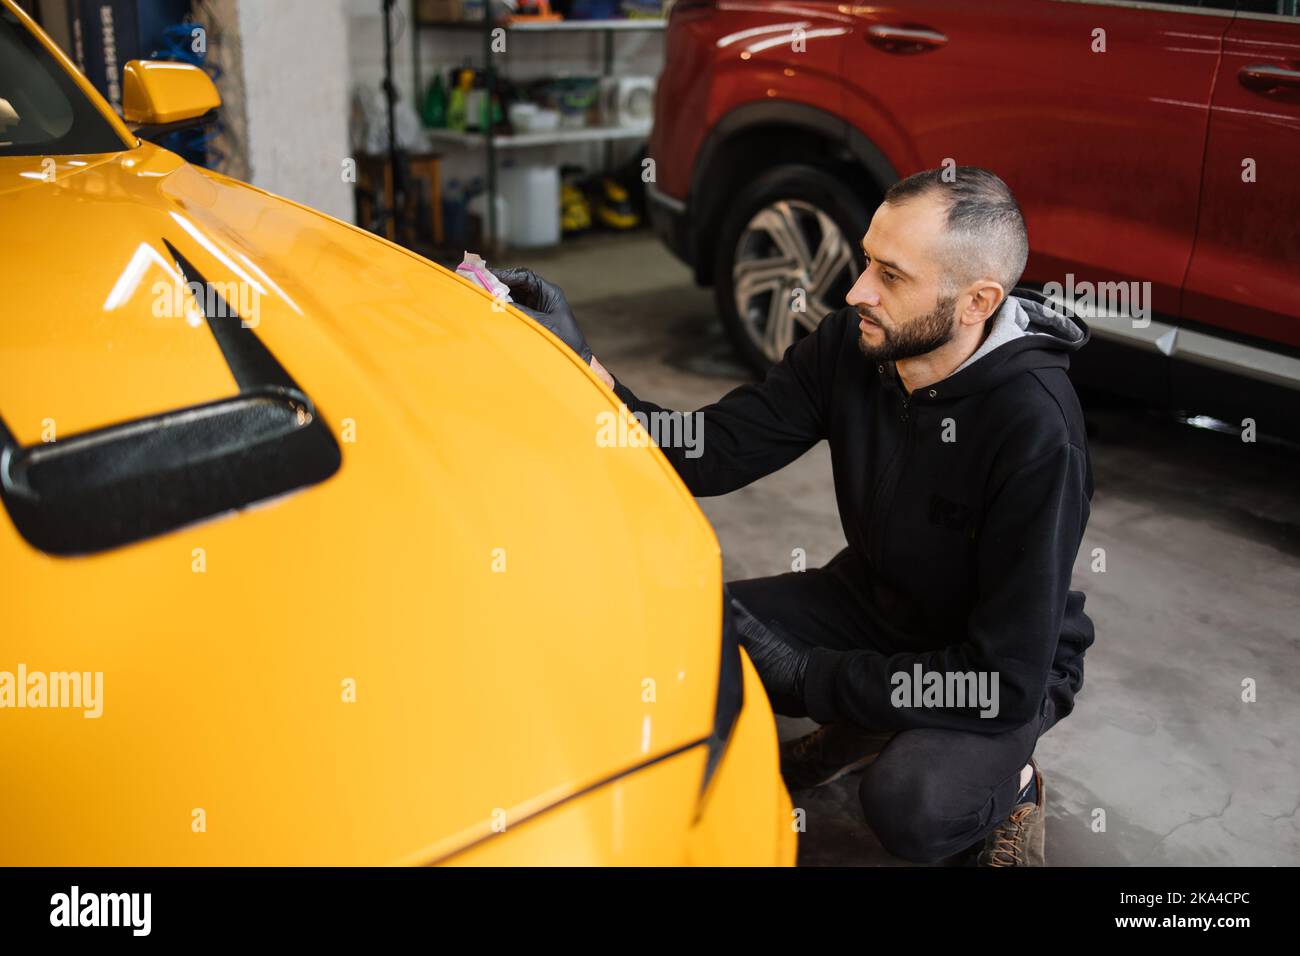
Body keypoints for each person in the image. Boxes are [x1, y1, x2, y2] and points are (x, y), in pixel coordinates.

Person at [492, 166, 1095, 866]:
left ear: (976, 301)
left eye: (891, 276)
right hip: (872, 604)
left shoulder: (1037, 430)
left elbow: (1004, 680)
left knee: (915, 803)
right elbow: (711, 451)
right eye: (868, 259)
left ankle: (1011, 785)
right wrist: (581, 362)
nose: (856, 291)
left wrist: (808, 676)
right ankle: (869, 718)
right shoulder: (855, 344)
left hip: (992, 665)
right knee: (668, 637)